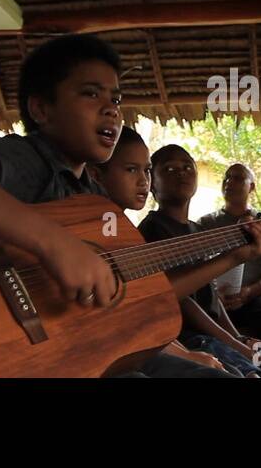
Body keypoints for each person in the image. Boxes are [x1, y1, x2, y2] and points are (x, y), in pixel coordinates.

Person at [0, 34, 261, 378]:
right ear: (41, 109)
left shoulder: (92, 198)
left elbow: (141, 292)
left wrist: (235, 255)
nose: (111, 110)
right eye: (91, 93)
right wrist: (54, 244)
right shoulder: (29, 158)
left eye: (116, 99)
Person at [139, 145, 261, 378]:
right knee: (251, 373)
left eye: (187, 167)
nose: (181, 173)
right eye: (169, 168)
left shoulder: (197, 230)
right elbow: (183, 302)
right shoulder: (152, 230)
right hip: (189, 339)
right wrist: (237, 346)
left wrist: (238, 338)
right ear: (151, 182)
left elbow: (209, 293)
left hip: (218, 335)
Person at [90, 126, 233, 376]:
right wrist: (188, 354)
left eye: (145, 170)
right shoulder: (119, 228)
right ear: (96, 175)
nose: (143, 180)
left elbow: (138, 312)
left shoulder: (121, 232)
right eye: (131, 169)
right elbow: (151, 302)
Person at [198, 163, 261, 351]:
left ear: (252, 187)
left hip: (254, 297)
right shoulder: (206, 224)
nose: (229, 182)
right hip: (214, 297)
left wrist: (249, 292)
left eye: (237, 178)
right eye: (226, 178)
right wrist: (212, 295)